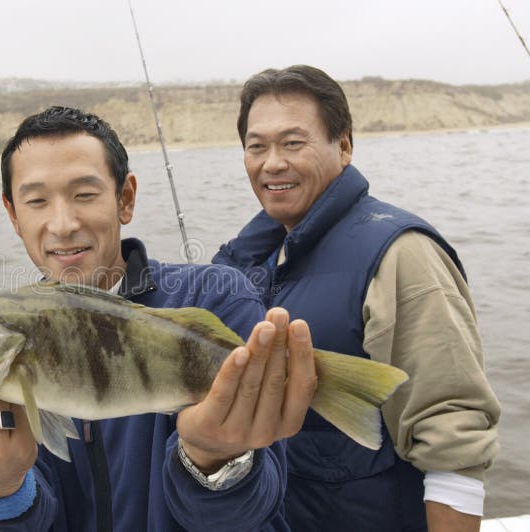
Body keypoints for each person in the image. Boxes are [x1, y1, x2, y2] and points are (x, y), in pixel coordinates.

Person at [0, 106, 319, 531]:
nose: (63, 224)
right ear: (13, 215)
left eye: (85, 194)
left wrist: (214, 458)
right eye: (36, 201)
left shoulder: (218, 296)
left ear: (125, 199)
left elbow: (254, 511)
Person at [213, 65, 501, 532]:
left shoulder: (402, 255)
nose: (272, 163)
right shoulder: (254, 257)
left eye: (293, 143)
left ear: (343, 146)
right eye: (256, 146)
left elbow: (453, 433)